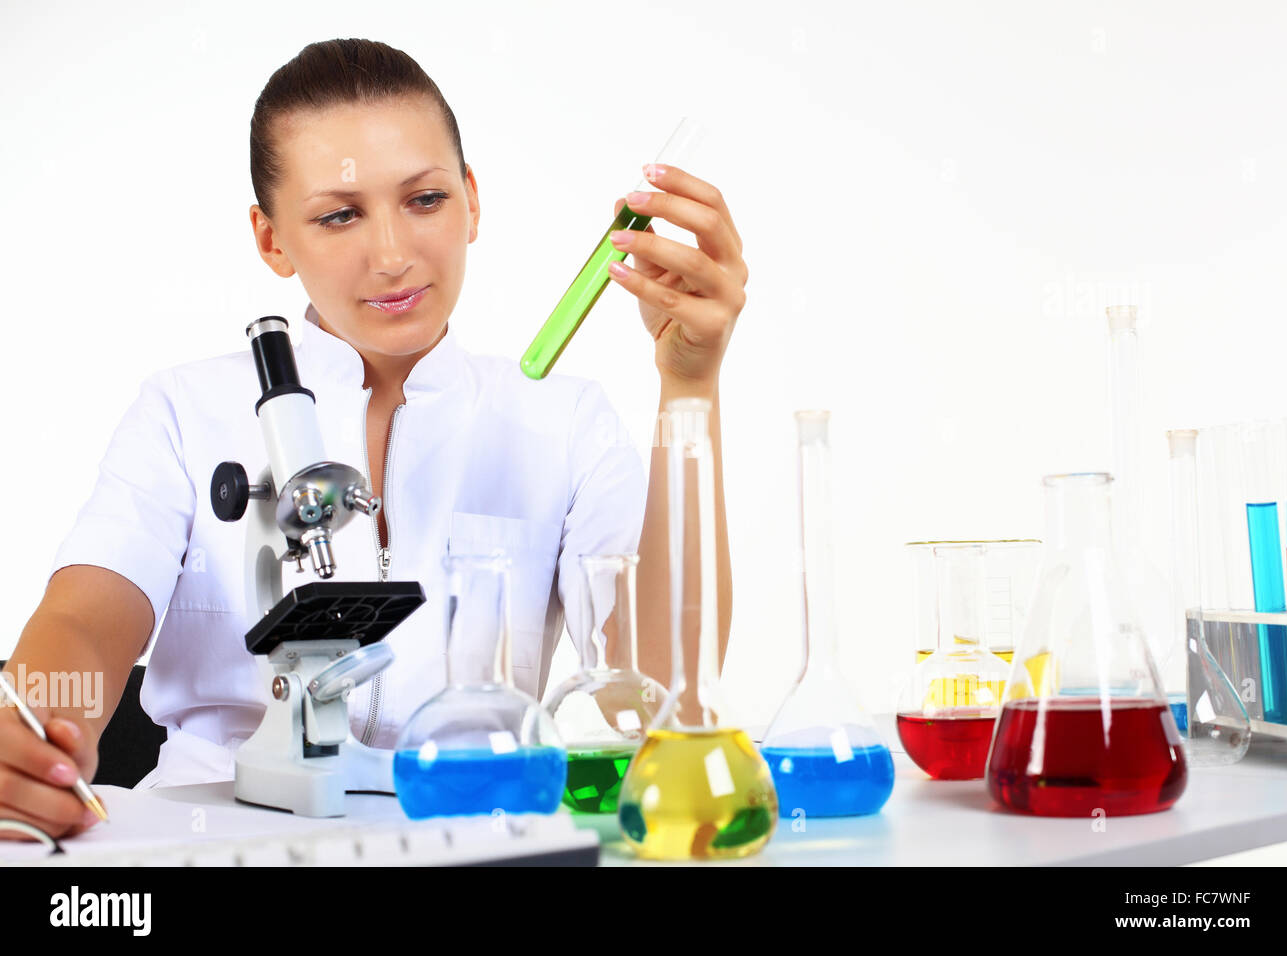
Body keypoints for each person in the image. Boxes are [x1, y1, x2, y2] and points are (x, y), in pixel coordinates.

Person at [0, 37, 747, 841]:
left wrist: (690, 388)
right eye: (340, 215)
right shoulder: (187, 410)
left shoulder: (562, 423)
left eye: (424, 200)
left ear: (471, 201)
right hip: (214, 838)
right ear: (272, 239)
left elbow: (665, 691)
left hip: (471, 836)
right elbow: (84, 618)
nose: (392, 256)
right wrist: (34, 724)